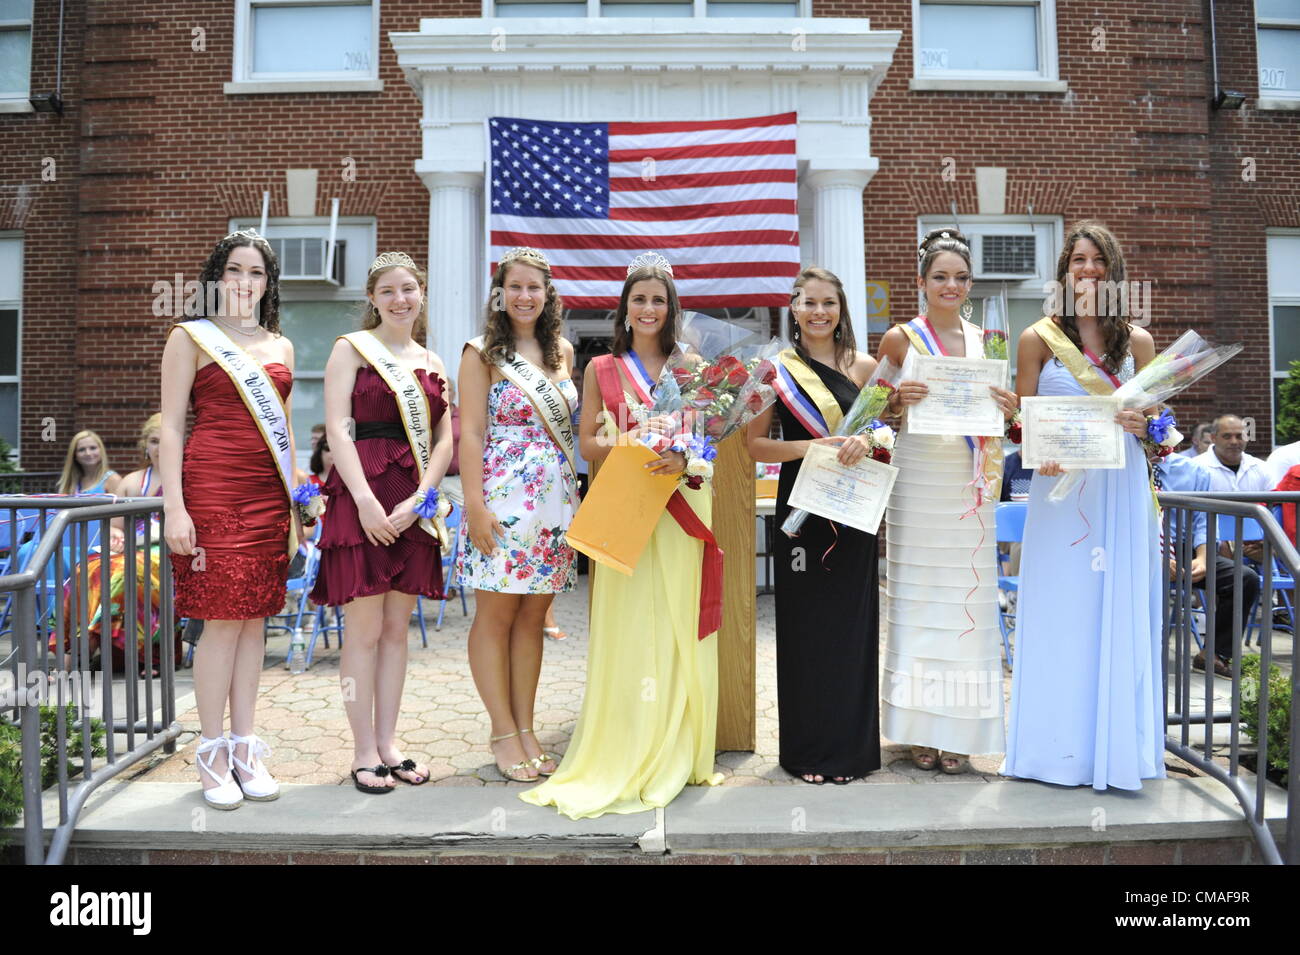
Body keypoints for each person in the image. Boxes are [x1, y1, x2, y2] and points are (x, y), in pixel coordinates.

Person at [522, 252, 723, 816]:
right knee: (630, 623)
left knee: (678, 618)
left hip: (681, 500)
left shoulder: (693, 365)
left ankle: (679, 744)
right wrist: (633, 443)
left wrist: (684, 457)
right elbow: (585, 444)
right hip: (625, 502)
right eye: (640, 299)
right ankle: (626, 740)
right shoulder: (600, 369)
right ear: (625, 308)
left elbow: (710, 441)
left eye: (659, 299)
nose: (649, 308)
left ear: (671, 306)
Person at [1002, 220, 1163, 791]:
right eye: (1078, 261)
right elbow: (1021, 425)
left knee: (1113, 608)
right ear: (1064, 271)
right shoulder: (1037, 339)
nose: (1088, 270)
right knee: (1062, 609)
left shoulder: (1138, 343)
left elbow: (1158, 432)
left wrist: (1143, 424)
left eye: (1098, 260)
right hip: (1058, 493)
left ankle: (1116, 752)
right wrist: (1035, 449)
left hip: (1119, 492)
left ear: (1112, 270)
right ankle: (1055, 753)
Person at [160, 229, 296, 810]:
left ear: (268, 284)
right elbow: (169, 425)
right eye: (235, 271)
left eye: (257, 273)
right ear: (217, 278)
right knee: (220, 621)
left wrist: (297, 506)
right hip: (212, 487)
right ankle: (210, 749)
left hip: (268, 495)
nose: (245, 282)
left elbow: (286, 429)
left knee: (254, 619)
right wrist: (174, 505)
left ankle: (244, 746)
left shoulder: (282, 346)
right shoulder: (190, 337)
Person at [311, 252, 452, 794]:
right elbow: (340, 430)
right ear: (372, 298)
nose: (400, 299)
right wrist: (366, 501)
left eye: (409, 289)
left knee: (397, 630)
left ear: (421, 295)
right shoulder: (351, 349)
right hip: (362, 494)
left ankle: (389, 743)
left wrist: (420, 497)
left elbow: (443, 438)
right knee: (364, 632)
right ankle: (362, 750)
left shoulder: (433, 361)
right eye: (388, 291)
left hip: (411, 500)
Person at [877, 230, 1016, 774]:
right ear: (921, 282)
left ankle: (960, 728)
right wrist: (896, 401)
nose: (951, 285)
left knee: (967, 606)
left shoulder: (989, 342)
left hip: (967, 484)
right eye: (940, 276)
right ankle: (918, 727)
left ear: (970, 284)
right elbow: (871, 413)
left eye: (960, 277)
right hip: (918, 479)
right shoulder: (899, 340)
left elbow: (1003, 419)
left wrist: (1007, 406)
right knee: (918, 600)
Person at [745, 266, 880, 784]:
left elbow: (886, 435)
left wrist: (868, 441)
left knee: (851, 625)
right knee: (805, 627)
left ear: (841, 309)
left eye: (829, 303)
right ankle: (805, 752)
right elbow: (756, 445)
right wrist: (810, 447)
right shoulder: (775, 370)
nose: (819, 312)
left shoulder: (866, 368)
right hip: (801, 508)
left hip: (854, 507)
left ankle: (850, 751)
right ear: (794, 310)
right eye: (809, 303)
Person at [458, 246, 578, 783]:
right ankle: (502, 731)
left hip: (554, 505)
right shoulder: (481, 352)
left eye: (535, 287)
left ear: (548, 293)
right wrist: (476, 508)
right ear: (500, 294)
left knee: (532, 617)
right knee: (496, 616)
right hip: (503, 499)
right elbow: (473, 434)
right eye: (515, 287)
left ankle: (527, 727)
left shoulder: (563, 353)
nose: (525, 296)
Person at [56, 414, 178, 673]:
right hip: (128, 551)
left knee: (127, 573)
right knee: (84, 570)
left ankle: (144, 654)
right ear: (146, 445)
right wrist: (115, 534)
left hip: (169, 554)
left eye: (166, 441)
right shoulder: (132, 481)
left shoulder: (187, 478)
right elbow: (115, 524)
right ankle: (78, 646)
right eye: (154, 441)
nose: (160, 448)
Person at [1153, 448, 1260, 677]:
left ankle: (1213, 655)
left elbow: (1203, 520)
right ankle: (1140, 657)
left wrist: (1202, 558)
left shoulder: (1193, 470)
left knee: (1244, 578)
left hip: (1185, 547)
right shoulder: (1122, 469)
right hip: (1138, 549)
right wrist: (1157, 557)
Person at [1193, 414, 1272, 493]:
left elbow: (1274, 502)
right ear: (1213, 438)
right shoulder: (1196, 468)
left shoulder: (1261, 468)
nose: (1234, 442)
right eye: (1227, 436)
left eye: (1239, 436)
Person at [56, 431, 120, 496]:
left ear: (101, 451)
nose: (88, 453)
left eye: (93, 448)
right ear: (74, 456)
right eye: (81, 450)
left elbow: (120, 506)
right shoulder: (73, 481)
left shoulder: (112, 479)